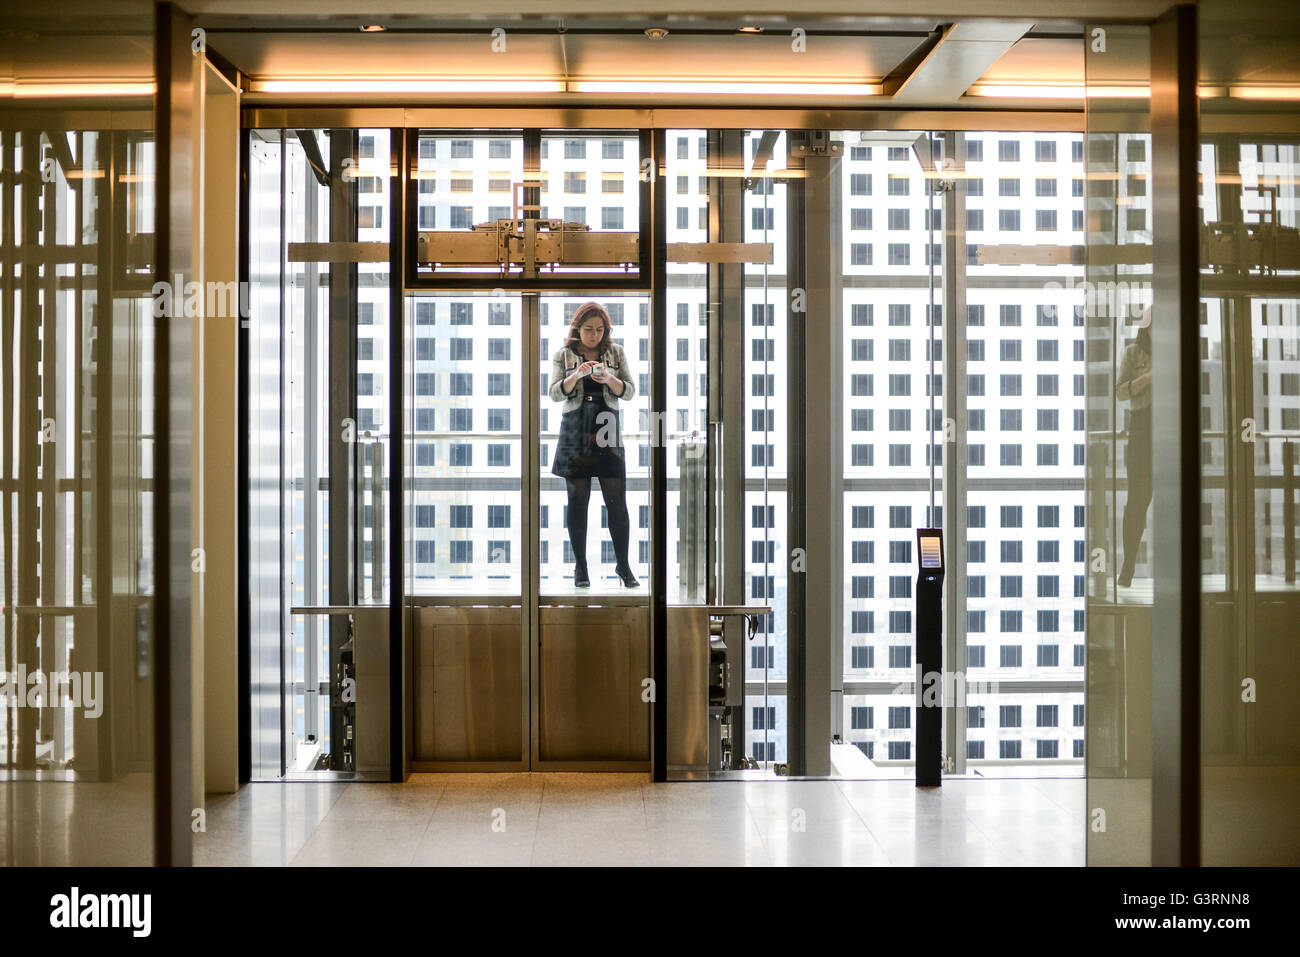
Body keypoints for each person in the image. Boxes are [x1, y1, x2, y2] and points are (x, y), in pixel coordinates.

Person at [549, 301, 639, 588]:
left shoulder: (616, 352)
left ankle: (623, 566)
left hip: (607, 425)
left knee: (617, 502)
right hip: (575, 427)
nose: (594, 335)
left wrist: (608, 377)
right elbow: (553, 394)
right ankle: (581, 567)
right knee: (577, 501)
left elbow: (629, 392)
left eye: (600, 329)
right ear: (577, 329)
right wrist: (577, 374)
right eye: (588, 329)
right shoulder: (563, 355)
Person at [1115, 312, 1153, 588]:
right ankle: (1128, 566)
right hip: (1141, 426)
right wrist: (1148, 378)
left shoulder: (1178, 350)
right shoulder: (1132, 352)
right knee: (1137, 500)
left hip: (1172, 425)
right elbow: (1119, 392)